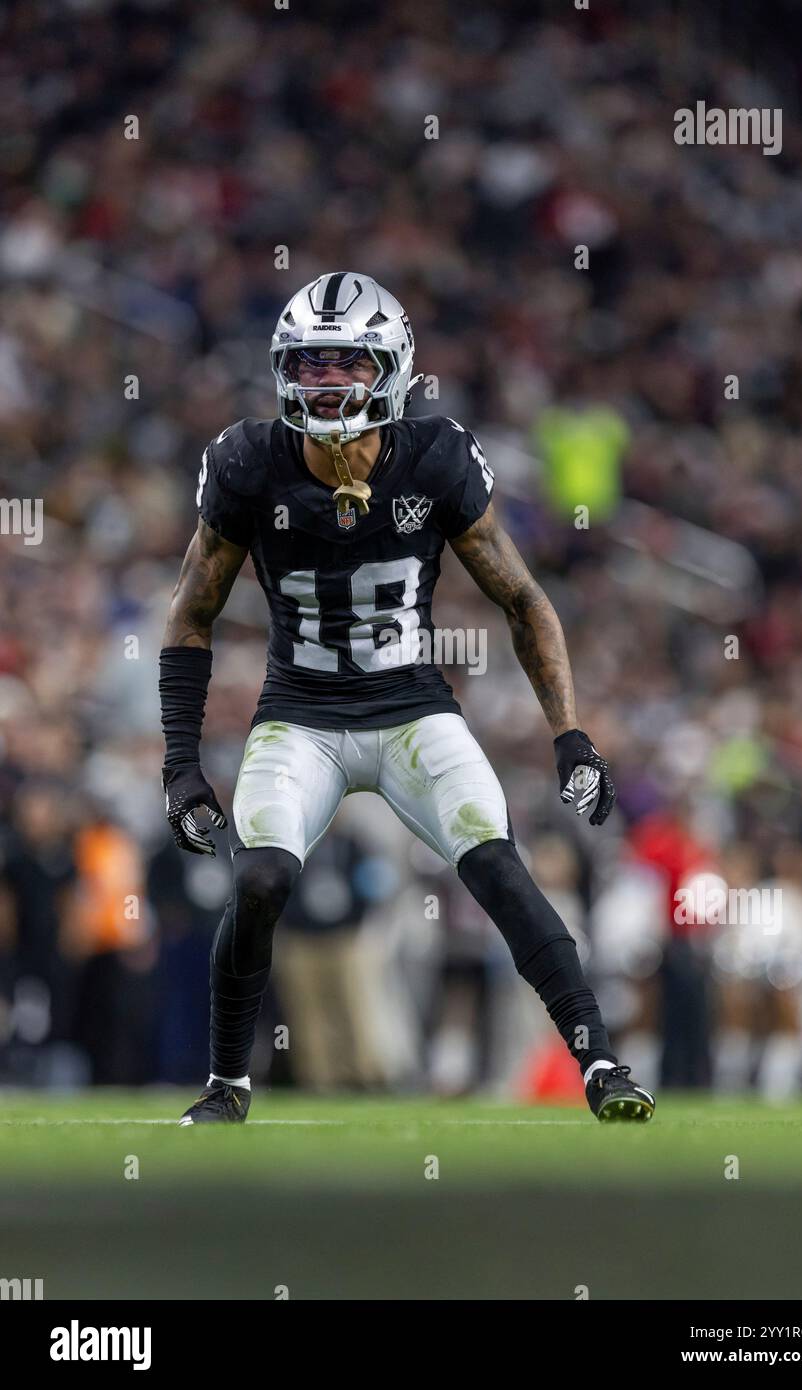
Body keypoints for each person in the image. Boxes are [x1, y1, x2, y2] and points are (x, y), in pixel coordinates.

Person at [158, 271, 655, 1125]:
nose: (325, 383)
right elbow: (191, 613)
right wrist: (178, 763)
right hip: (300, 714)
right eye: (309, 366)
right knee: (264, 876)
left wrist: (570, 733)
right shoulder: (247, 461)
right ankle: (228, 1083)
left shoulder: (436, 456)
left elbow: (524, 597)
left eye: (345, 363)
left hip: (412, 709)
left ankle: (600, 1062)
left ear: (388, 369)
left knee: (495, 862)